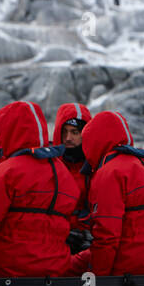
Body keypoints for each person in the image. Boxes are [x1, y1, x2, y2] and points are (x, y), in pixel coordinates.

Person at [0, 101, 79, 277]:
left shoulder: (5, 172)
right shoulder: (64, 173)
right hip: (54, 268)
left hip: (1, 268)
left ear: (8, 131)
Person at [71, 110, 144, 276]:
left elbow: (107, 237)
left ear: (93, 143)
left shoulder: (109, 174)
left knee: (69, 265)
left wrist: (97, 280)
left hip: (128, 268)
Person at [53, 102, 93, 251]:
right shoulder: (50, 167)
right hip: (56, 239)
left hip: (87, 240)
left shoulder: (95, 167)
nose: (68, 138)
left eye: (75, 132)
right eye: (64, 132)